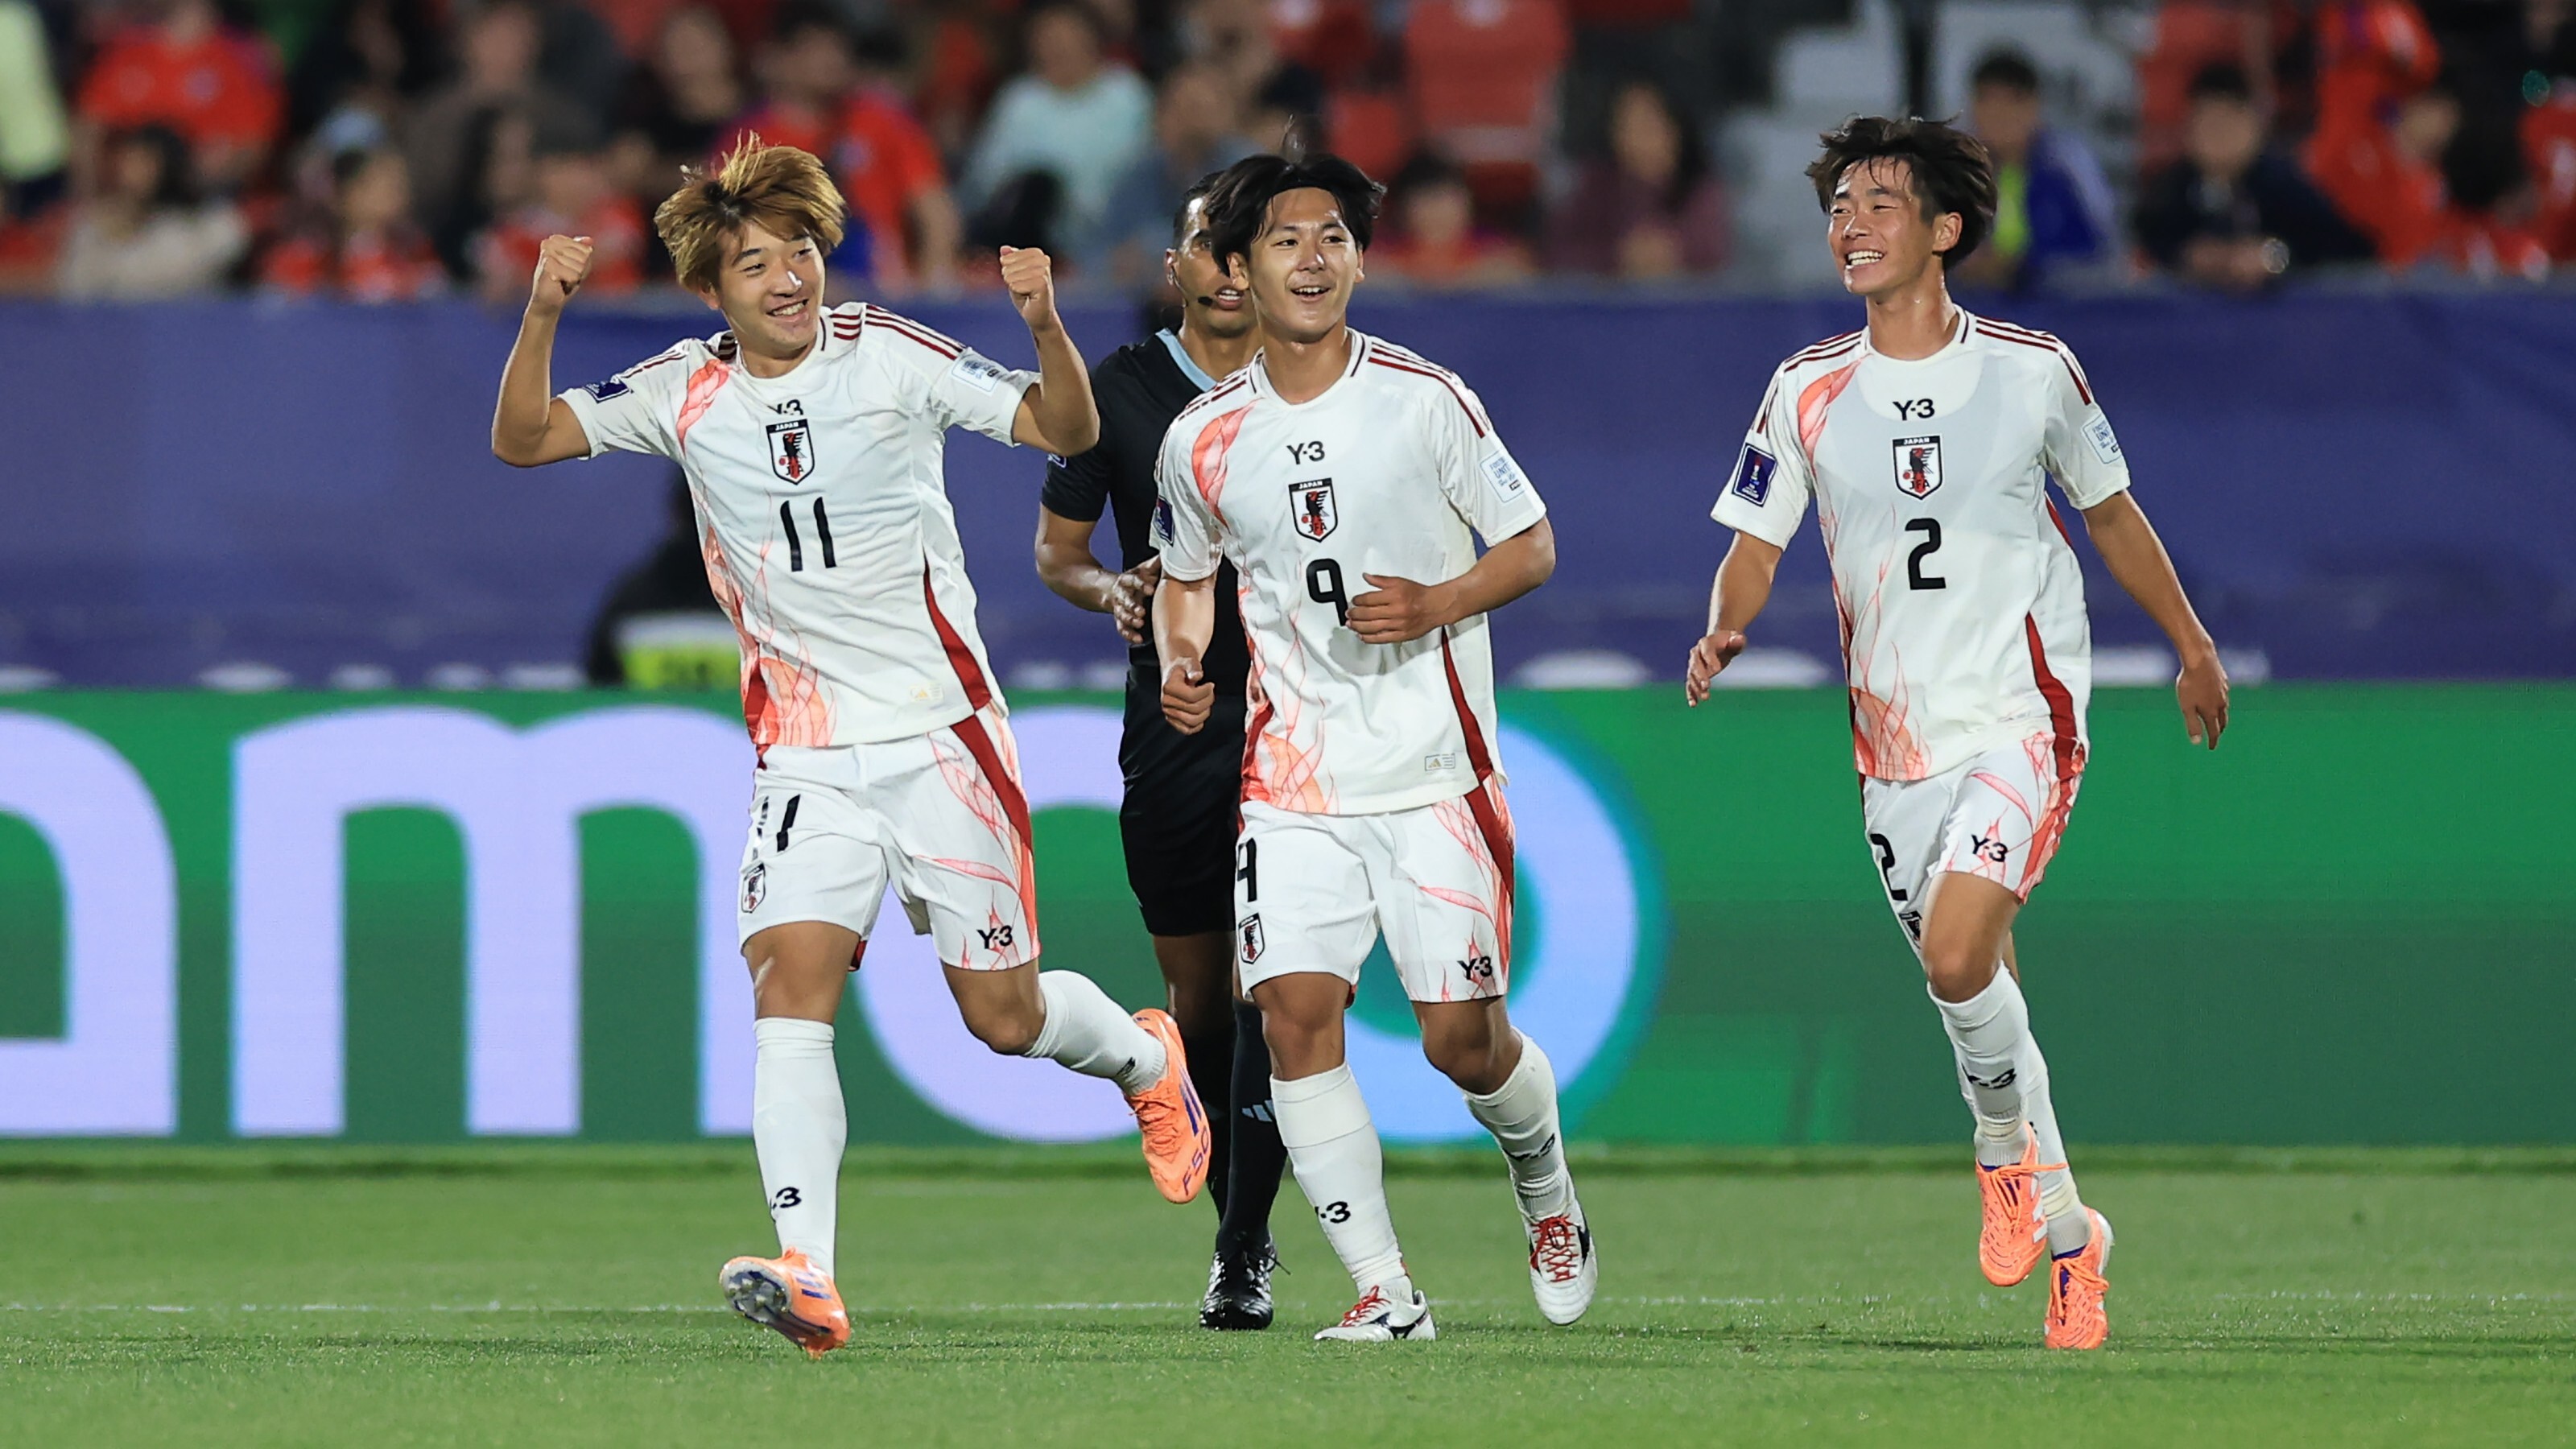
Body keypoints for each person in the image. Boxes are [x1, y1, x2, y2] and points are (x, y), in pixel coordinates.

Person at [487, 135, 1213, 1358]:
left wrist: (1043, 323)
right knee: (790, 992)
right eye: (756, 261)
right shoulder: (681, 390)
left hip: (941, 735)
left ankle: (1146, 1057)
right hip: (805, 755)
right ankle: (808, 1268)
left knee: (1004, 1016)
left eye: (803, 252)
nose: (788, 279)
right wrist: (545, 310)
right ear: (710, 288)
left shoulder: (890, 355)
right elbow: (523, 438)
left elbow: (1059, 424)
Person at [1685, 117, 2231, 1352]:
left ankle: (1996, 1147)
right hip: (1893, 745)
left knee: (1953, 959)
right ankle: (2074, 1231)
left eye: (1880, 204)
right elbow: (1754, 544)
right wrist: (1724, 629)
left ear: (1943, 229)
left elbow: (2111, 513)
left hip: (2020, 717)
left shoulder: (2035, 370)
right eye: (1839, 208)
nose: (1851, 225)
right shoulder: (1805, 388)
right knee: (1981, 985)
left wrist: (2192, 643)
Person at [1152, 150, 1591, 1343]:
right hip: (1291, 781)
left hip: (1433, 773)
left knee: (1463, 1042)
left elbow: (1533, 544)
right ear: (1237, 270)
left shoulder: (1425, 399)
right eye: (1288, 240)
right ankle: (1385, 1291)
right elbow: (1188, 577)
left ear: (1358, 259)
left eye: (1334, 237)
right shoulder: (1201, 439)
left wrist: (1439, 603)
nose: (1313, 257)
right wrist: (1186, 660)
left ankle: (1545, 1182)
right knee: (1292, 1014)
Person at [1034, 177, 1284, 1330]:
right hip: (1175, 718)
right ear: (1176, 265)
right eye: (1210, 246)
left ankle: (1245, 1251)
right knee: (1201, 995)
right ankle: (1240, 1217)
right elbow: (1058, 552)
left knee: (1279, 983)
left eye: (1251, 246)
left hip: (1303, 717)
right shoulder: (1121, 392)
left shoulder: (1328, 383)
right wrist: (1110, 593)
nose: (1231, 267)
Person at [2133, 64, 2375, 288]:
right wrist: (2193, 256)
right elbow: (2149, 241)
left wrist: (2273, 256)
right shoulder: (2170, 190)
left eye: (2229, 123)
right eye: (2208, 124)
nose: (2218, 137)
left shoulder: (2284, 187)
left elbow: (2345, 247)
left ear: (2253, 124)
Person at [962, 0, 1152, 255]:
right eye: (1048, 38)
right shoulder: (1018, 100)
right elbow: (985, 179)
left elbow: (1148, 167)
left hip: (1110, 232)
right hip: (1026, 234)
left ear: (1092, 40)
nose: (1059, 47)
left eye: (1068, 37)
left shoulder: (1127, 95)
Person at [1951, 49, 2116, 291]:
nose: (1998, 117)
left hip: (2059, 308)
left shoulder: (2066, 165)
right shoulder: (1953, 169)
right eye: (1988, 103)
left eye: (2010, 104)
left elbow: (2103, 249)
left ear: (2034, 107)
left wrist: (2022, 266)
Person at [1545, 78, 1725, 279]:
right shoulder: (1596, 186)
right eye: (1624, 126)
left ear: (1675, 129)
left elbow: (1714, 252)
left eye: (1646, 125)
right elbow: (1558, 254)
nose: (1633, 138)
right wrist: (1619, 257)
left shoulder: (1699, 189)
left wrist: (1671, 253)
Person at [55, 123, 247, 299]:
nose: (129, 174)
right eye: (127, 163)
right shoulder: (96, 223)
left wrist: (123, 245)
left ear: (169, 166)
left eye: (144, 163)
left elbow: (167, 277)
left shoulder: (209, 223)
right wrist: (105, 237)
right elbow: (75, 285)